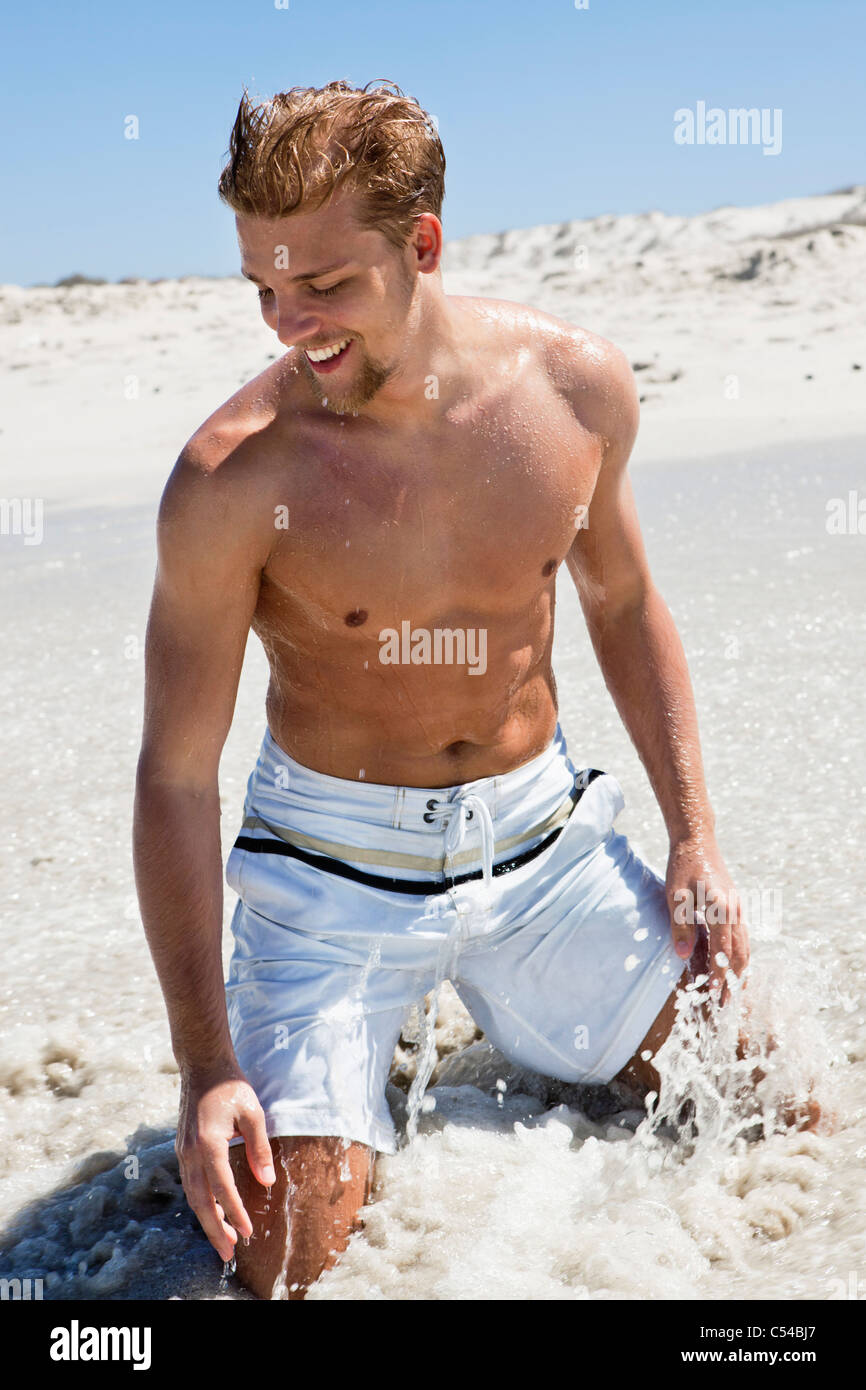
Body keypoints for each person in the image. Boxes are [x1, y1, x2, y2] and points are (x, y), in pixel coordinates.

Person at [132, 79, 789, 1302]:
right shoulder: (229, 481)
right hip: (328, 884)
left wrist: (693, 834)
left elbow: (620, 603)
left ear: (421, 244)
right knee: (273, 1266)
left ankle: (527, 1015)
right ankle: (345, 1053)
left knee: (778, 1104)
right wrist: (204, 1064)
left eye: (322, 285)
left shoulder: (571, 393)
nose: (287, 324)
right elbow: (174, 774)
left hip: (544, 852)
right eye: (262, 289)